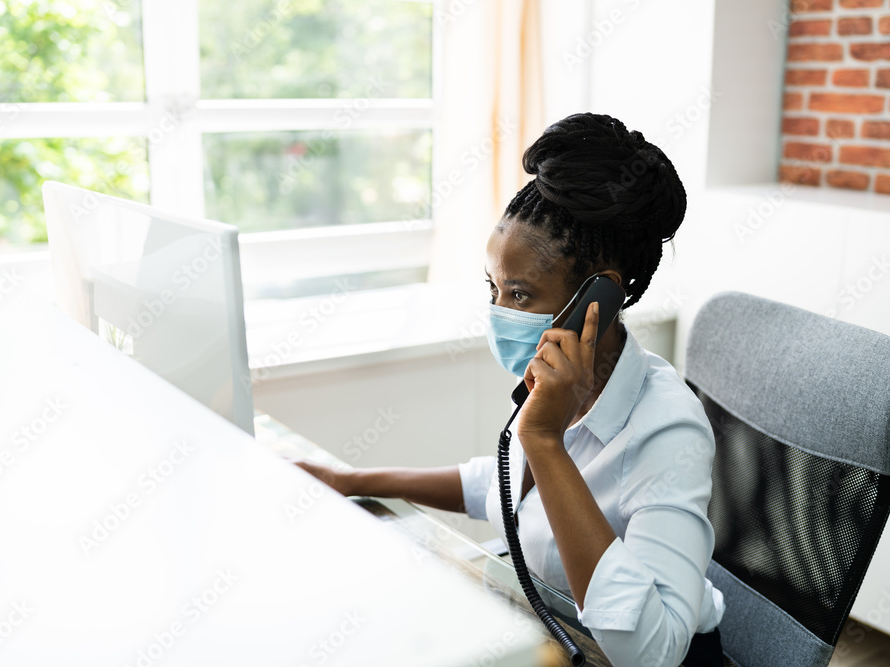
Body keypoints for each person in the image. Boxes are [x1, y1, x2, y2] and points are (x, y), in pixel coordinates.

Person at [292, 112, 725, 667]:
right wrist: (350, 479)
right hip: (549, 626)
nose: (498, 312)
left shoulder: (668, 428)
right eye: (493, 287)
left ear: (599, 300)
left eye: (519, 294)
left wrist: (543, 442)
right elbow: (502, 487)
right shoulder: (562, 385)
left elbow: (652, 651)